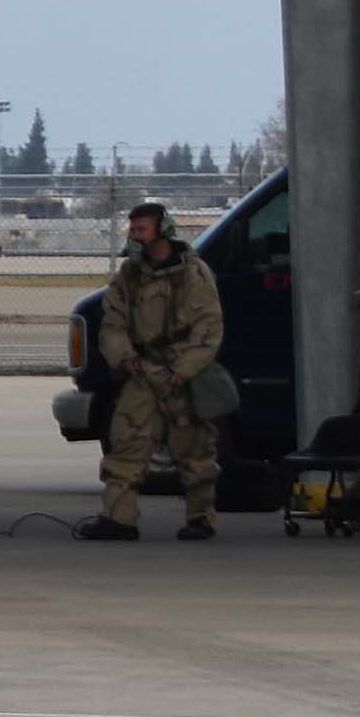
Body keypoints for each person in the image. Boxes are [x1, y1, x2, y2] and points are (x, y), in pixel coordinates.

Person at [85, 192, 226, 543]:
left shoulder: (192, 273)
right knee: (125, 448)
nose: (134, 236)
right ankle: (119, 518)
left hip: (181, 375)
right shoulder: (129, 276)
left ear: (163, 231)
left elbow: (208, 327)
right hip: (142, 373)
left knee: (195, 452)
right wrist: (125, 358)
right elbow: (112, 323)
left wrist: (185, 370)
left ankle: (200, 518)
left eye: (142, 230)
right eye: (132, 229)